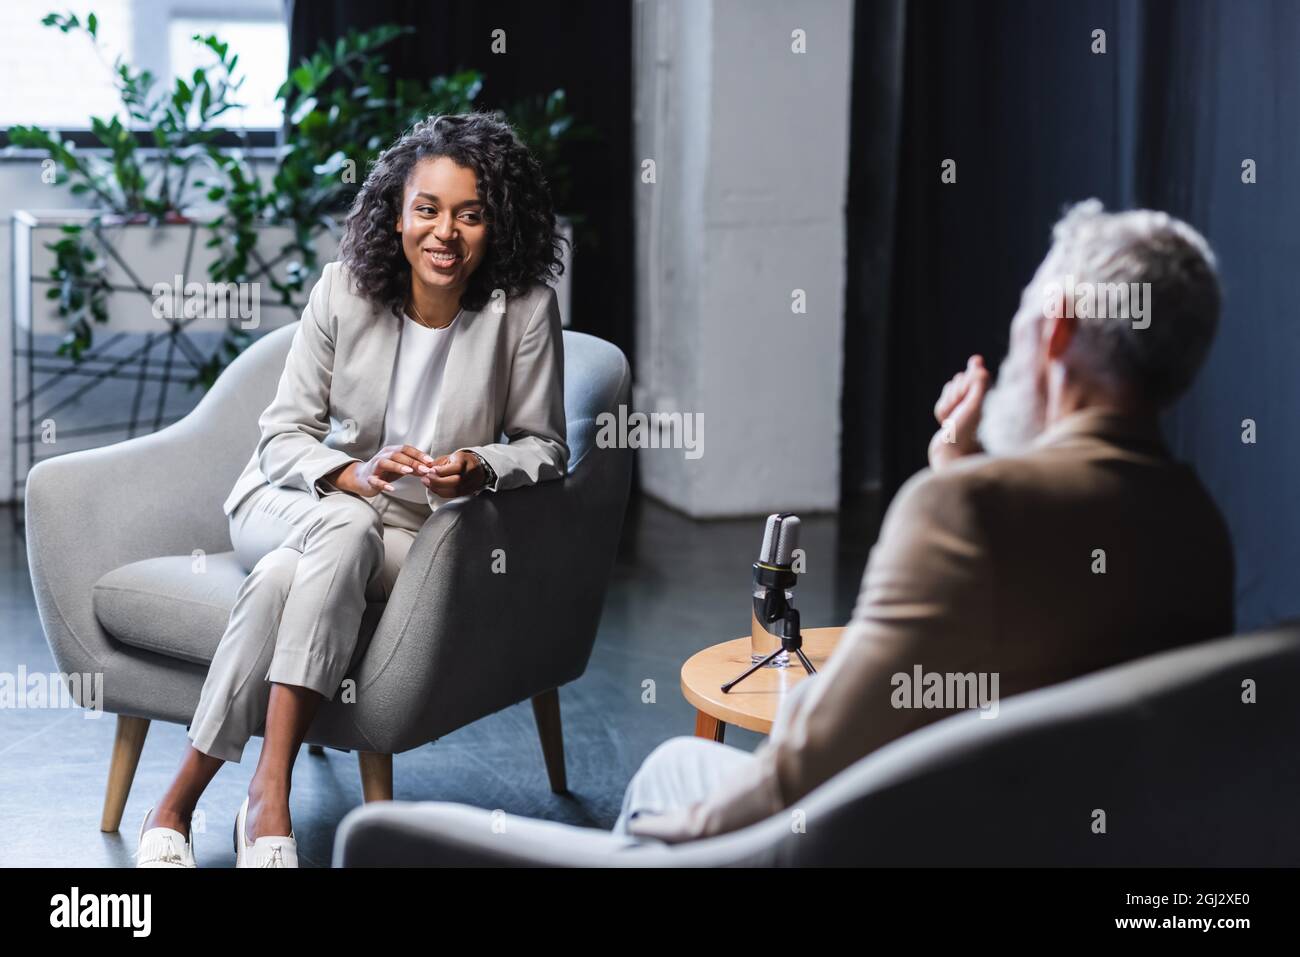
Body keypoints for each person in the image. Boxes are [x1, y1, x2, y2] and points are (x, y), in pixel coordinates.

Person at [618, 199, 1235, 843]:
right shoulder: (1200, 531)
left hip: (920, 842)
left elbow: (800, 766)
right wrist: (964, 470)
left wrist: (673, 835)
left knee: (669, 771)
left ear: (1056, 329)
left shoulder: (964, 512)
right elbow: (1036, 627)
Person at [135, 112, 569, 867]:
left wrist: (480, 463)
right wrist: (350, 475)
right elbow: (280, 435)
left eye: (470, 214)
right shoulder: (343, 289)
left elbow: (546, 445)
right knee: (338, 528)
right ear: (397, 213)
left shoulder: (523, 310)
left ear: (496, 223)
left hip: (408, 536)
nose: (445, 233)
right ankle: (268, 794)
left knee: (281, 582)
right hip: (285, 501)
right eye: (427, 209)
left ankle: (178, 800)